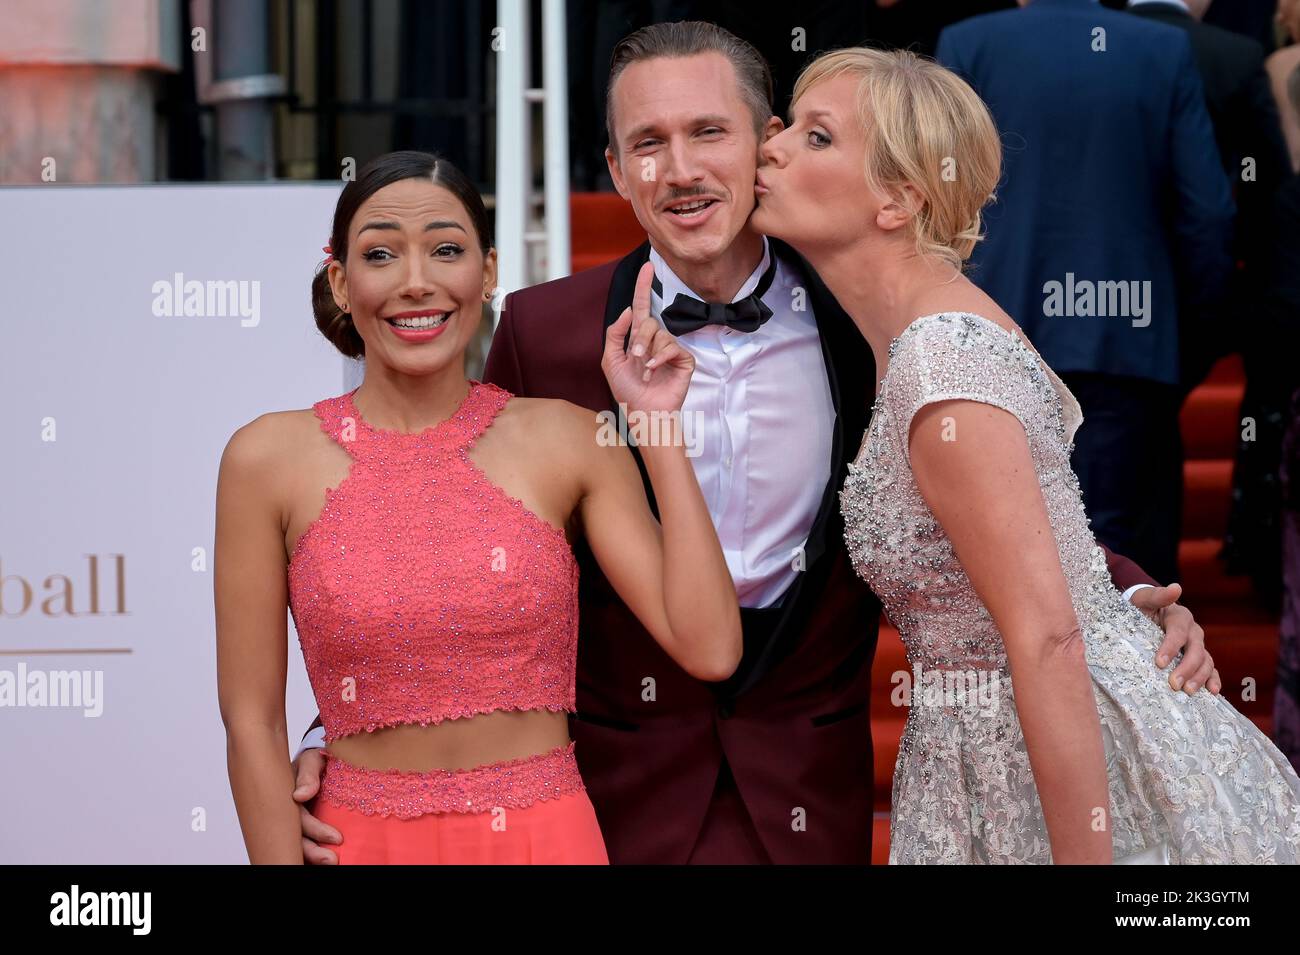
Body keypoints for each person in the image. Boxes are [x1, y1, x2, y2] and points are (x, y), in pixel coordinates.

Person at [291, 22, 1213, 866]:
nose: (680, 169)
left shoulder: (868, 316)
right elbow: (460, 550)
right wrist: (352, 728)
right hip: (614, 798)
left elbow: (985, 492)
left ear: (765, 144)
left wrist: (1124, 594)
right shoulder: (547, 330)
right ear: (614, 168)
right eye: (648, 144)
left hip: (808, 789)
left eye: (708, 133)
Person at [751, 45, 1300, 863]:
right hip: (987, 756)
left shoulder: (941, 362)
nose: (773, 145)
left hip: (1055, 764)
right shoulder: (911, 342)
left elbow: (1046, 638)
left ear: (898, 198)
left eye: (818, 136)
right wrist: (1130, 593)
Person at [214, 149, 741, 864]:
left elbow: (709, 646)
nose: (416, 282)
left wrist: (656, 425)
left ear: (488, 272)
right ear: (340, 281)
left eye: (446, 249)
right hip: (355, 842)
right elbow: (252, 725)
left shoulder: (567, 437)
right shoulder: (264, 459)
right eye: (380, 254)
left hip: (544, 841)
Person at [936, 0, 1237, 586]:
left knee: (1001, 556)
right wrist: (1189, 332)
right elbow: (1209, 213)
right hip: (1126, 341)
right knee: (1127, 566)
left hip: (994, 334)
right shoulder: (1160, 48)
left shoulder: (969, 42)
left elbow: (935, 191)